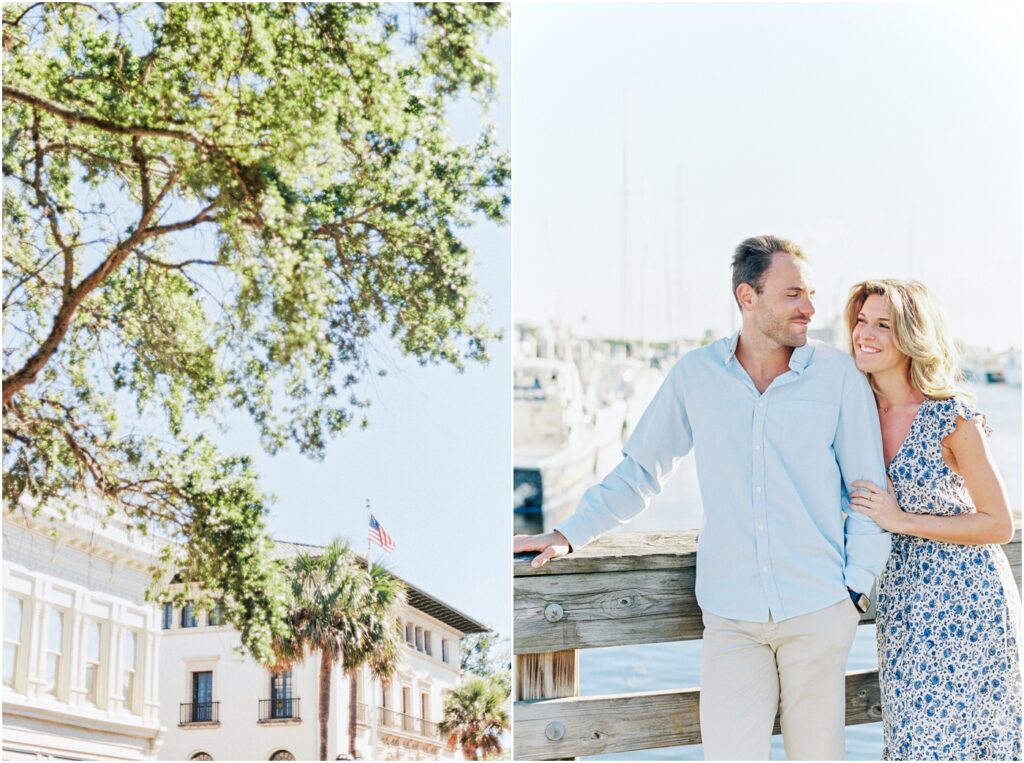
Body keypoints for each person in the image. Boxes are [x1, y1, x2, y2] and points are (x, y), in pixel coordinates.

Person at [514, 235, 891, 760]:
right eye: (792, 295)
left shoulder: (837, 375)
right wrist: (568, 533)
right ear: (747, 297)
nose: (809, 308)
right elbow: (642, 470)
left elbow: (868, 490)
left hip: (819, 611)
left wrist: (855, 592)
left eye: (810, 293)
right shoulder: (695, 375)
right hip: (732, 617)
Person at [844, 279, 1021, 761]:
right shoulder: (851, 409)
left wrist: (902, 520)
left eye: (883, 324)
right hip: (904, 606)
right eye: (861, 321)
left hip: (967, 604)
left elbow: (998, 524)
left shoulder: (951, 416)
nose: (866, 333)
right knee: (913, 745)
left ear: (911, 336)